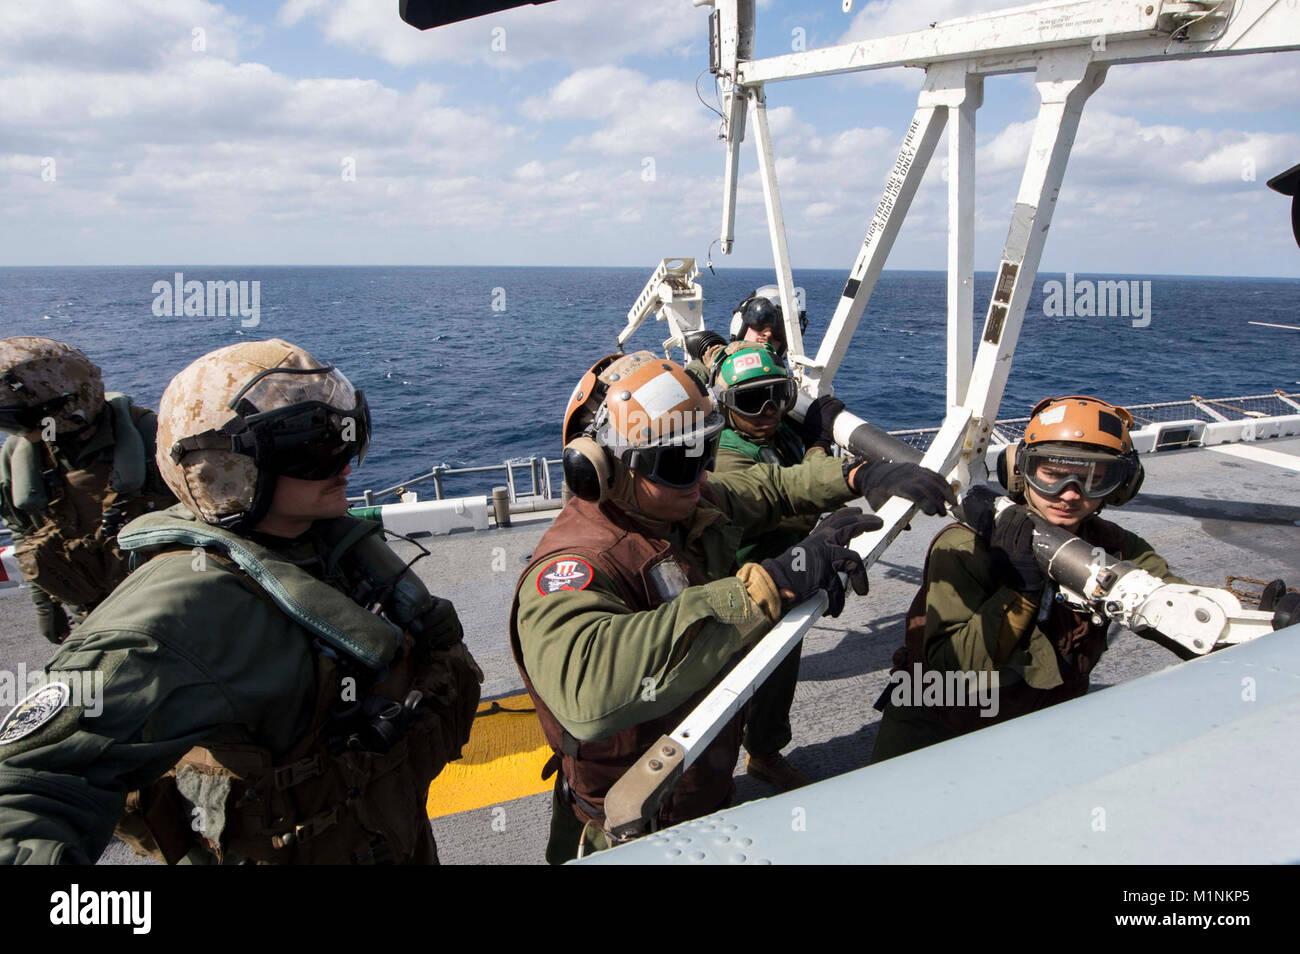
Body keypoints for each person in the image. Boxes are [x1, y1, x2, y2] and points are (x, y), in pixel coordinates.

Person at [0, 338, 481, 864]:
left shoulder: (324, 550)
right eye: (309, 445)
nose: (343, 458)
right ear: (225, 465)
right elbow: (26, 784)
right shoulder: (178, 609)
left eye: (349, 432)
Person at [510, 350, 955, 862]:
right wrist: (769, 585)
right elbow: (588, 691)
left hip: (703, 780)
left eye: (707, 450)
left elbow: (769, 487)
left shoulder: (679, 504)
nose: (702, 476)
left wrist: (859, 479)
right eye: (681, 461)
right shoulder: (576, 563)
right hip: (635, 824)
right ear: (603, 470)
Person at [869, 395, 1185, 762]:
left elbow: (1175, 603)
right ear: (1021, 473)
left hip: (1040, 730)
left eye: (1092, 479)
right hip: (938, 730)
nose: (1069, 493)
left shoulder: (1116, 547)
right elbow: (950, 670)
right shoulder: (966, 545)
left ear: (1120, 486)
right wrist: (1019, 593)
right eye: (1052, 474)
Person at [708, 343, 843, 791]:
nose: (768, 410)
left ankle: (765, 752)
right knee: (743, 678)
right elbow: (799, 511)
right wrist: (820, 445)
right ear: (726, 407)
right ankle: (714, 772)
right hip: (753, 583)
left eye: (777, 396)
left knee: (779, 671)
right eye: (750, 400)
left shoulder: (771, 432)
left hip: (788, 569)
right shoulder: (731, 458)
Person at [0, 337, 175, 644]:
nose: (20, 433)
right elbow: (24, 530)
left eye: (19, 419)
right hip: (90, 613)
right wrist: (46, 608)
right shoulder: (20, 458)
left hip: (167, 608)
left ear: (68, 405)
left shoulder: (152, 440)